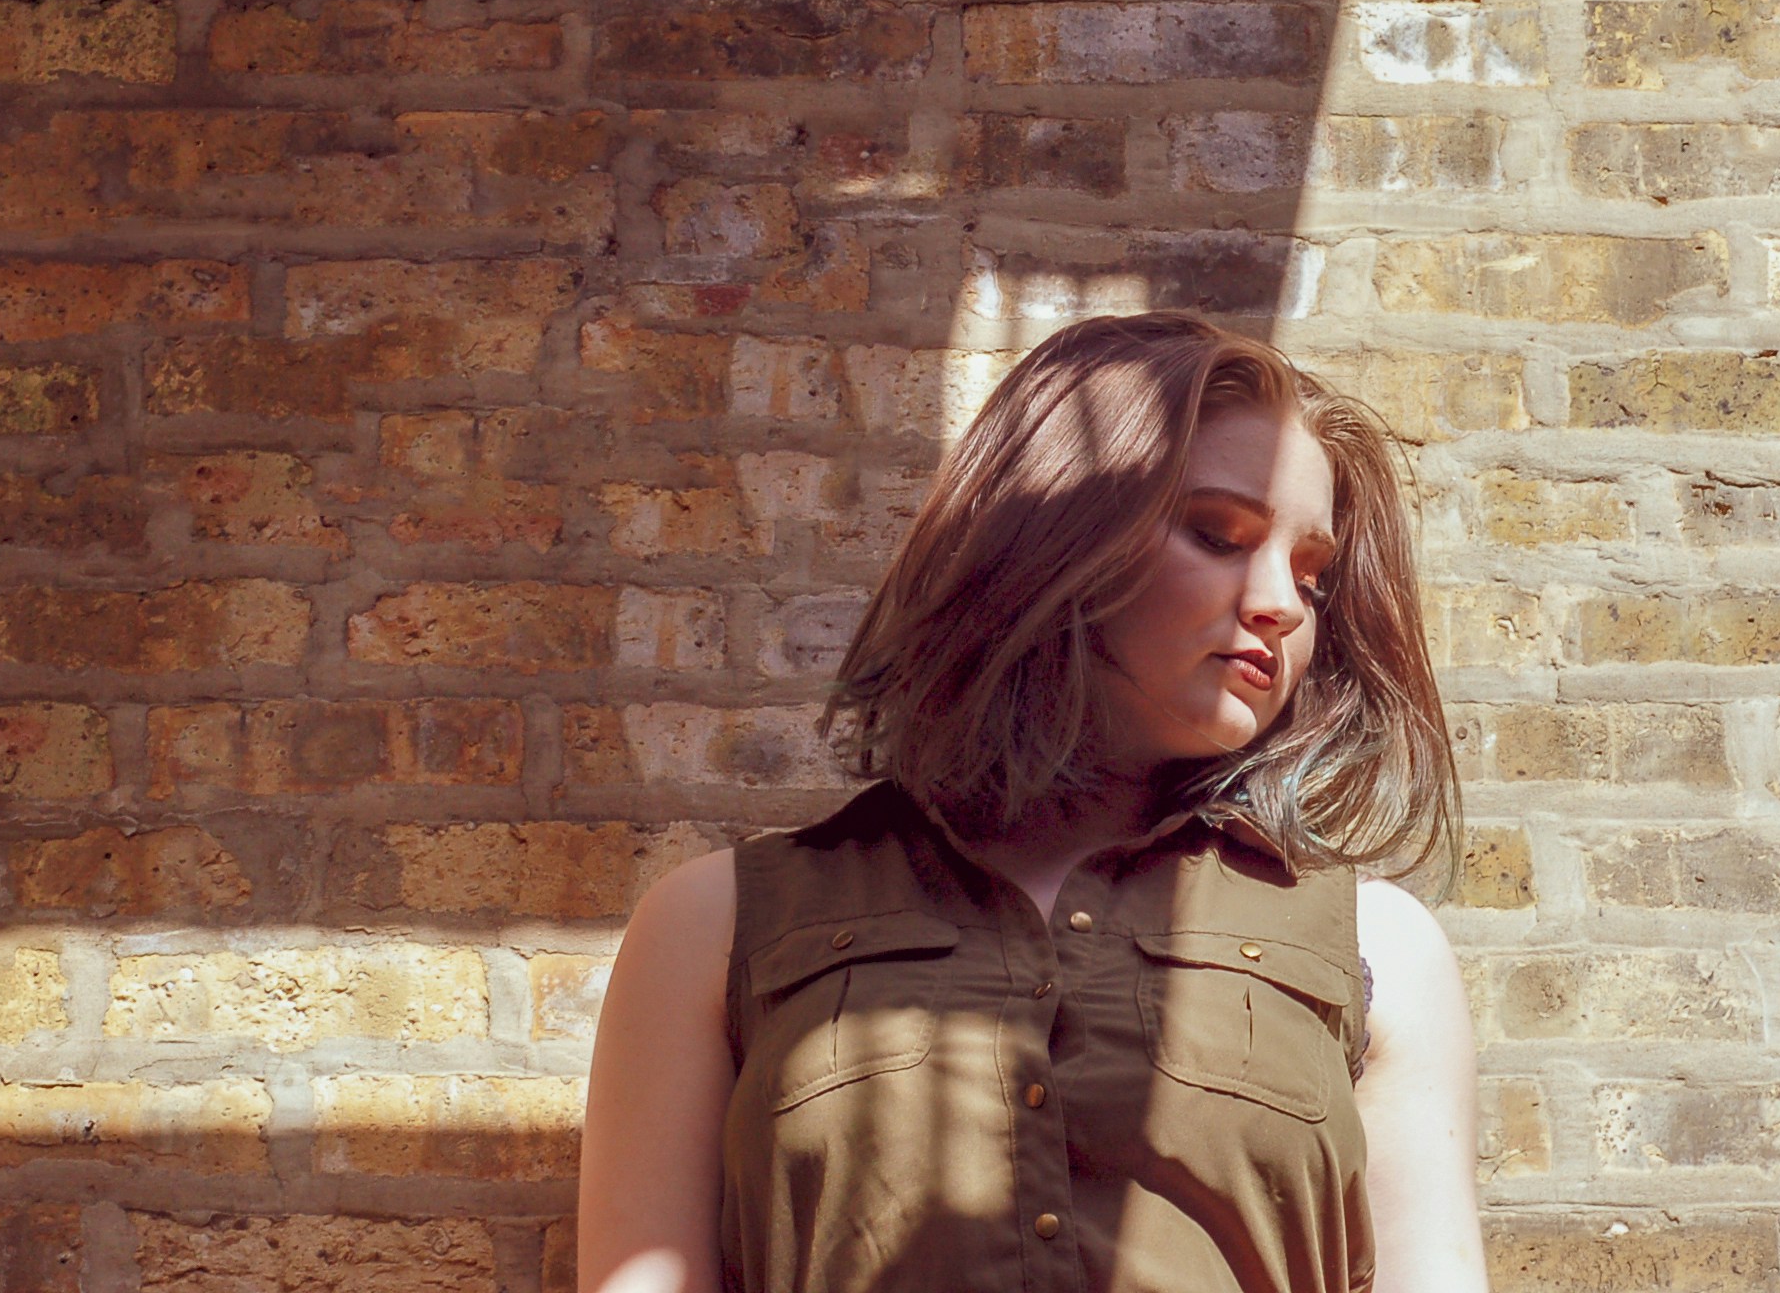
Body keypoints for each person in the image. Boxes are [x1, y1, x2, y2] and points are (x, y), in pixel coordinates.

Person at [575, 311, 1488, 1293]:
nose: (1278, 601)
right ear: (1048, 540)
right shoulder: (716, 923)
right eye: (1217, 534)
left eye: (1312, 575)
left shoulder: (1374, 947)